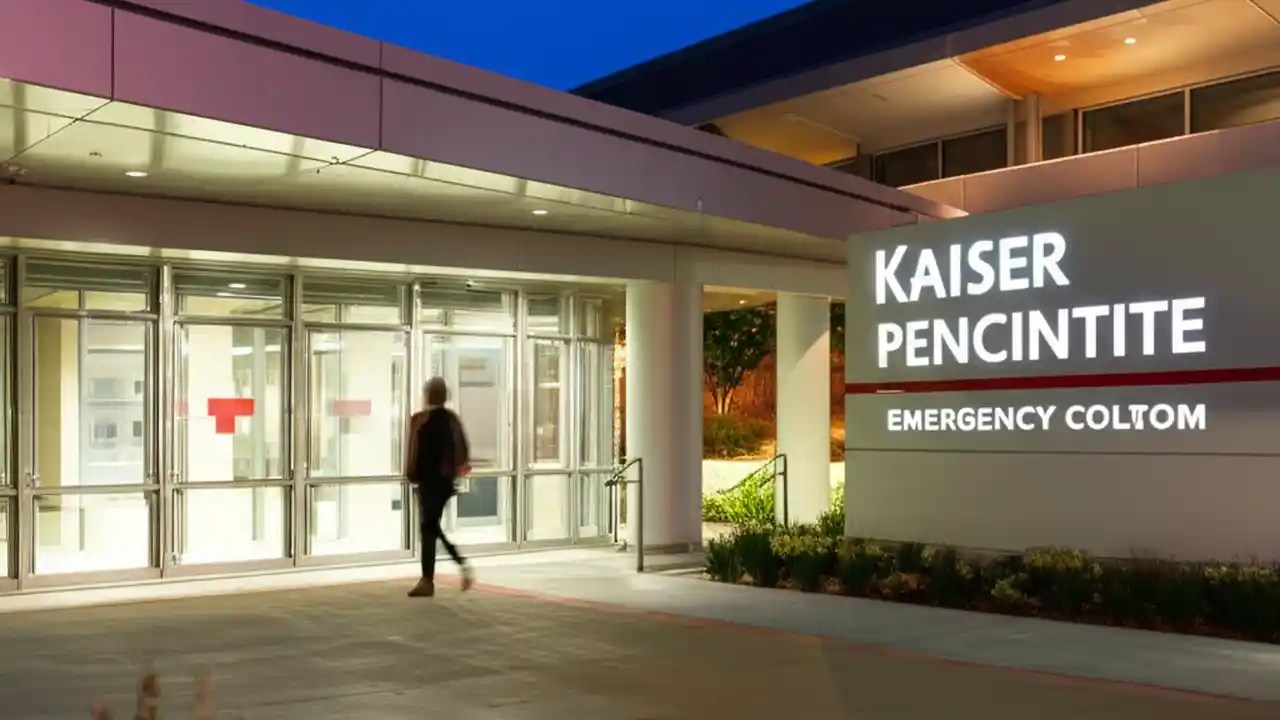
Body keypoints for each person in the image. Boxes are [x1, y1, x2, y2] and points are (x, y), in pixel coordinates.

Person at [406, 377, 475, 598]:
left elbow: (415, 452)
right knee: (430, 528)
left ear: (428, 395)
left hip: (428, 482)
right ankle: (430, 579)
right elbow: (462, 449)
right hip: (445, 482)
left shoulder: (421, 420)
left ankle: (446, 572)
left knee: (430, 528)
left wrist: (412, 475)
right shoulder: (451, 419)